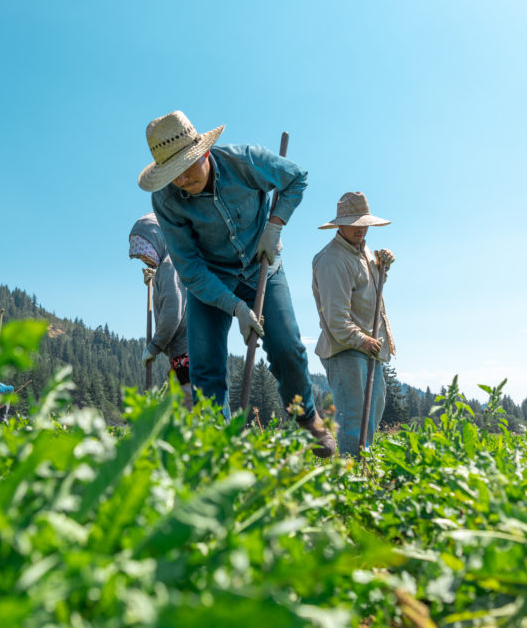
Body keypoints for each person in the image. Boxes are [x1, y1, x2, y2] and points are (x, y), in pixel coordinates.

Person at [138, 110, 335, 456]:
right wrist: (237, 308)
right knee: (205, 366)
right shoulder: (166, 201)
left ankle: (306, 420)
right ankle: (219, 447)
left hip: (262, 266)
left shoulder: (244, 161)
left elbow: (296, 179)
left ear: (204, 152)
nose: (181, 180)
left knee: (287, 347)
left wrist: (274, 226)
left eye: (186, 166)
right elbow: (190, 270)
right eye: (172, 174)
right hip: (210, 279)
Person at [311, 191, 396, 456]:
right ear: (340, 225)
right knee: (353, 420)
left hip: (369, 347)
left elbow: (369, 293)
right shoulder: (332, 261)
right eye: (355, 223)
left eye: (364, 223)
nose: (361, 229)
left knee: (371, 414)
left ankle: (362, 471)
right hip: (347, 349)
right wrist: (362, 339)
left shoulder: (363, 251)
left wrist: (382, 269)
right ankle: (348, 478)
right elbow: (336, 319)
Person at [128, 212, 191, 398]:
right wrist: (156, 280)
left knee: (191, 411)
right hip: (189, 352)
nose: (145, 260)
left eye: (146, 253)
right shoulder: (175, 260)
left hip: (187, 354)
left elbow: (172, 312)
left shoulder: (169, 265)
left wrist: (154, 346)